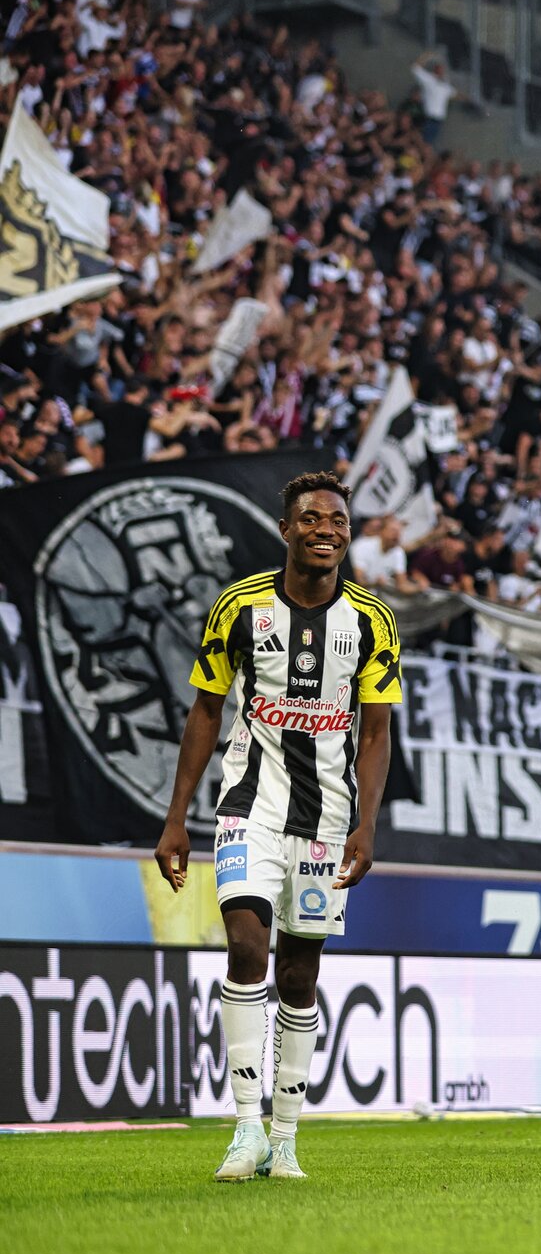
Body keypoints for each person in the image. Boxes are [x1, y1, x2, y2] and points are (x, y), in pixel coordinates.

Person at [152, 472, 403, 1181]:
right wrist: (176, 820)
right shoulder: (239, 607)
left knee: (299, 970)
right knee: (245, 942)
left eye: (338, 521)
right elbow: (205, 711)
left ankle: (286, 1137)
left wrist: (366, 825)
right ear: (286, 529)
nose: (327, 529)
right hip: (248, 806)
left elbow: (376, 733)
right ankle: (244, 1128)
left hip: (326, 817)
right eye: (312, 519)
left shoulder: (372, 621)